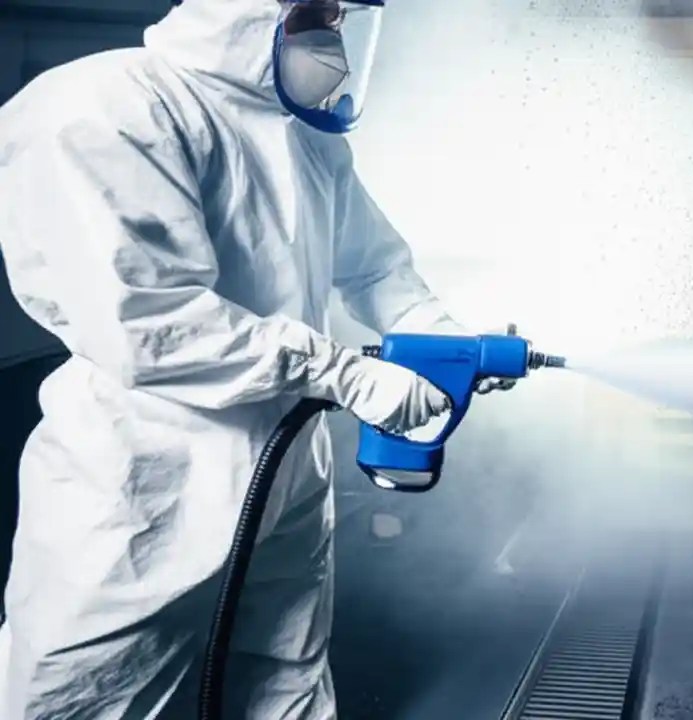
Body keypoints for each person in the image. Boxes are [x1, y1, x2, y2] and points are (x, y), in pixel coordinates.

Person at [0, 1, 513, 717]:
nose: (330, 35)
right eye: (315, 12)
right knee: (94, 696)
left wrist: (441, 336)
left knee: (284, 684)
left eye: (338, 16)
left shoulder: (305, 135)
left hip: (288, 471)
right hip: (145, 485)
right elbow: (149, 320)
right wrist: (344, 374)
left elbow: (373, 270)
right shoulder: (107, 107)